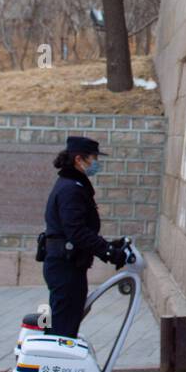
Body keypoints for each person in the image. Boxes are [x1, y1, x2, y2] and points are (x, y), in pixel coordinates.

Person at [41, 135, 128, 337]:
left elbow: (79, 230)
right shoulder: (71, 189)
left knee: (65, 321)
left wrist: (109, 245)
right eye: (94, 158)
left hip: (67, 264)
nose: (96, 163)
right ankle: (57, 365)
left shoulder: (72, 184)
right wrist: (108, 252)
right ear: (79, 159)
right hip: (65, 267)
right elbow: (77, 231)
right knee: (63, 329)